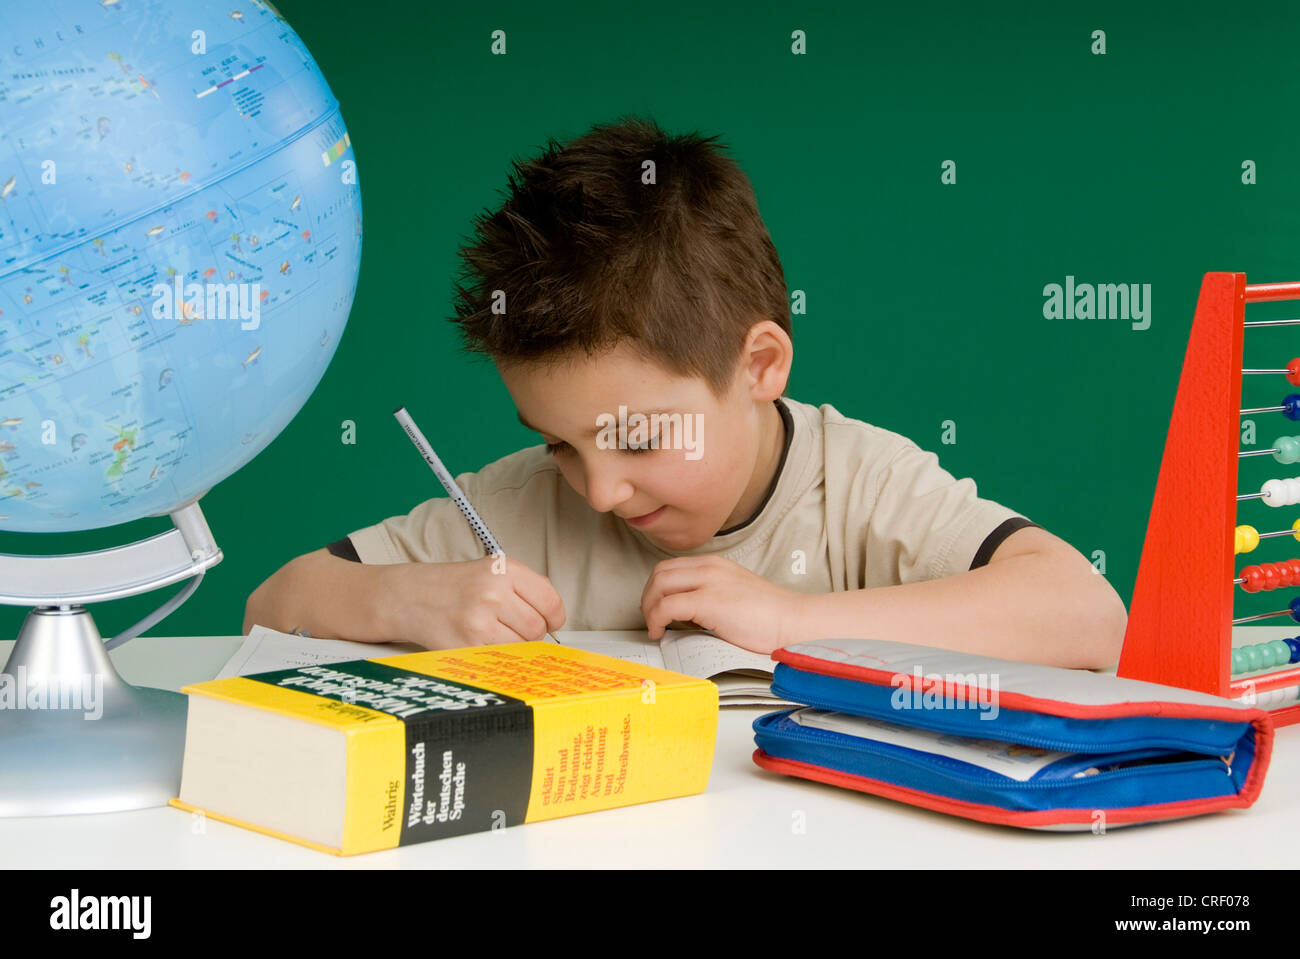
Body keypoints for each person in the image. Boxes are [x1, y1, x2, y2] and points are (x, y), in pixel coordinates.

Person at [244, 116, 1126, 667]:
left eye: (634, 437)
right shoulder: (522, 510)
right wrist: (410, 598)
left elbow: (1087, 614)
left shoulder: (859, 484)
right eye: (559, 442)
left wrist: (792, 619)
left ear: (760, 366)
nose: (598, 490)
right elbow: (272, 606)